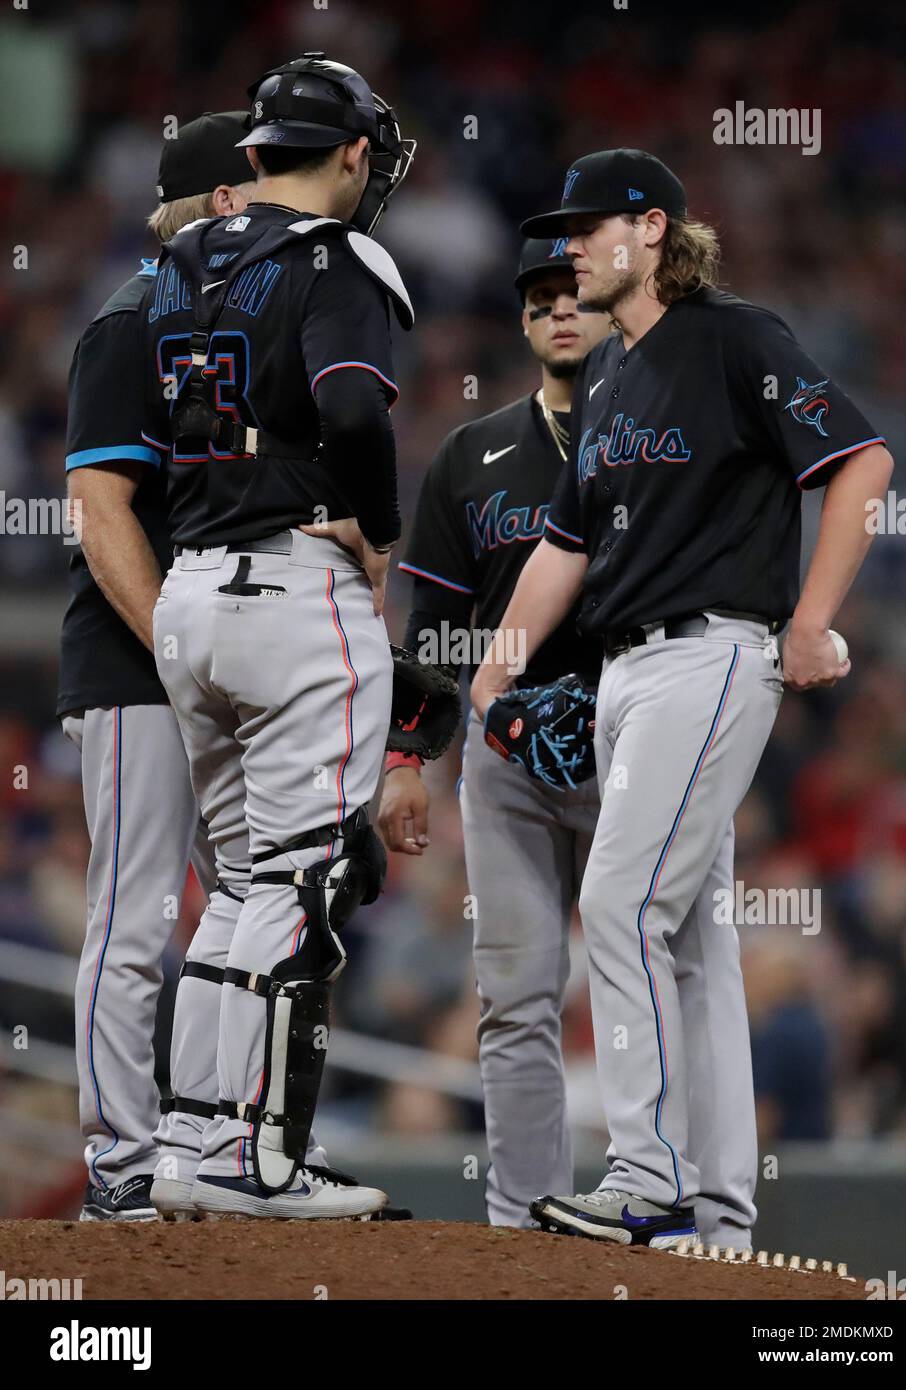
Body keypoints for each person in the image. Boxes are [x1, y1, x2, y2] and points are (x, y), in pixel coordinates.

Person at [471, 148, 894, 1250]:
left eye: (592, 226)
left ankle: (645, 1176)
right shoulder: (609, 374)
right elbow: (562, 544)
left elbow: (859, 461)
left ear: (653, 229)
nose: (571, 247)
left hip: (709, 658)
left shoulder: (733, 336)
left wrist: (807, 619)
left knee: (618, 905)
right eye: (562, 232)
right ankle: (719, 1217)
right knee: (695, 941)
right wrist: (495, 664)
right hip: (625, 671)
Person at [140, 53, 415, 1220]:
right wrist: (381, 532)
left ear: (253, 154)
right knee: (304, 880)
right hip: (294, 589)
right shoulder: (338, 257)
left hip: (189, 588)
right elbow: (351, 404)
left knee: (245, 882)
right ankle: (253, 1158)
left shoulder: (174, 261)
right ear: (352, 152)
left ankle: (190, 1140)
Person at [379, 239, 610, 1226]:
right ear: (522, 322)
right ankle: (525, 1222)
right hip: (503, 747)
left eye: (578, 296)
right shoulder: (473, 455)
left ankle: (670, 1197)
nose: (559, 312)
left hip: (632, 735)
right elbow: (430, 621)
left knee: (656, 976)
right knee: (515, 992)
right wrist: (405, 758)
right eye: (541, 300)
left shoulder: (663, 443)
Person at [59, 113, 255, 1222]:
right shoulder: (132, 323)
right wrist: (178, 653)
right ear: (226, 201)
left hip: (221, 669)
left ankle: (215, 1145)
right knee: (136, 918)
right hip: (137, 669)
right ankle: (119, 1161)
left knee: (245, 903)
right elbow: (98, 510)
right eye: (264, 183)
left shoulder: (243, 321)